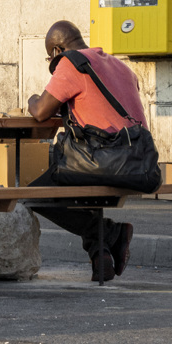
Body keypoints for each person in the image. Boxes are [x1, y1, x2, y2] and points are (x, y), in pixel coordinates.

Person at [26, 19, 147, 282]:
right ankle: (99, 254)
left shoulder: (70, 64)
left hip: (102, 159)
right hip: (137, 160)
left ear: (57, 51)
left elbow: (41, 112)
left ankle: (110, 235)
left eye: (50, 58)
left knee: (35, 195)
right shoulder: (119, 66)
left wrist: (32, 99)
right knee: (67, 183)